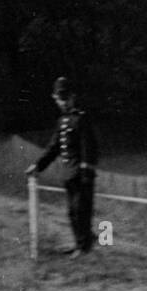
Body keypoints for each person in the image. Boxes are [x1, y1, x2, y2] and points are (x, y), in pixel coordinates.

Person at [26, 76, 99, 255]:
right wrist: (37, 166)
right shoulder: (63, 122)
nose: (63, 103)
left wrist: (85, 173)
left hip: (81, 175)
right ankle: (81, 244)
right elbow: (54, 148)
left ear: (73, 97)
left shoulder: (81, 119)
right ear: (55, 99)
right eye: (60, 99)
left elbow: (89, 148)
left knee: (81, 211)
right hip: (68, 174)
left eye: (66, 99)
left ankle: (84, 247)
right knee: (72, 213)